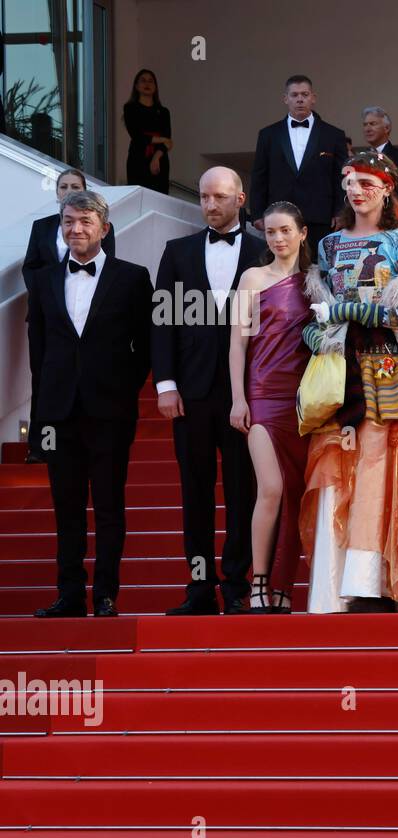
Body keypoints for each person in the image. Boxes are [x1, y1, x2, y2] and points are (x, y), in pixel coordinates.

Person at [300, 150, 398, 613]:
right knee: (340, 461)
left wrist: (344, 311)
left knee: (381, 459)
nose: (355, 191)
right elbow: (314, 310)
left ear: (385, 188)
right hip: (340, 365)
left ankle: (377, 579)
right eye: (350, 182)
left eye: (365, 182)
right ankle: (340, 582)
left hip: (385, 360)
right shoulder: (327, 245)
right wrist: (314, 329)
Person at [26, 191, 152, 617]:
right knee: (67, 507)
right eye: (68, 222)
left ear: (104, 227)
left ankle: (105, 594)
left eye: (84, 221)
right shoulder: (43, 280)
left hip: (110, 411)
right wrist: (41, 414)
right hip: (58, 412)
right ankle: (69, 594)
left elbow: (145, 347)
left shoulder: (133, 278)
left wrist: (123, 389)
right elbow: (38, 351)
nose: (75, 229)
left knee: (109, 505)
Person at [151, 166, 266, 616]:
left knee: (243, 493)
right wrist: (166, 384)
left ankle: (237, 586)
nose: (209, 205)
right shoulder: (176, 252)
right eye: (203, 197)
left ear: (239, 198)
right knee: (194, 494)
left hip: (246, 396)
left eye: (219, 197)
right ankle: (199, 587)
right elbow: (162, 322)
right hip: (191, 395)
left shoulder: (263, 252)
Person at [228, 202, 314, 613]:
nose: (278, 239)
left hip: (305, 401)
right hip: (263, 394)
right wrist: (239, 397)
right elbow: (238, 342)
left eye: (285, 231)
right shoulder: (252, 277)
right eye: (271, 233)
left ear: (302, 234)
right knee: (272, 488)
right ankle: (258, 582)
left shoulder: (316, 281)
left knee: (298, 495)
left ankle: (284, 586)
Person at [22, 168, 116, 464]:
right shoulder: (42, 227)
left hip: (86, 321)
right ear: (57, 192)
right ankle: (41, 446)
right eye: (64, 186)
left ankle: (86, 440)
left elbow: (108, 267)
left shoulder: (100, 228)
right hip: (46, 319)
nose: (70, 190)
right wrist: (49, 297)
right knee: (42, 380)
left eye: (76, 186)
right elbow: (30, 267)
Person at [249, 75, 349, 252]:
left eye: (304, 94)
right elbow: (259, 175)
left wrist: (340, 212)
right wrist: (257, 213)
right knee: (281, 271)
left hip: (320, 217)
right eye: (294, 95)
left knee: (318, 270)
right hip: (279, 216)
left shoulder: (334, 135)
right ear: (285, 98)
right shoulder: (268, 134)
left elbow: (340, 177)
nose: (300, 99)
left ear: (313, 98)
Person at [123, 69, 171, 194]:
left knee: (161, 197)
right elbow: (137, 136)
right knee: (137, 196)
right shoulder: (130, 108)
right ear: (136, 86)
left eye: (151, 81)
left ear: (155, 87)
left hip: (160, 159)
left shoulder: (164, 111)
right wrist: (162, 139)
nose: (147, 84)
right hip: (138, 157)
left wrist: (156, 157)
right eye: (143, 80)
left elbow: (168, 140)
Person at [361, 105, 398, 185]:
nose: (367, 129)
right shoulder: (361, 158)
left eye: (372, 124)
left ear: (387, 128)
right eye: (365, 125)